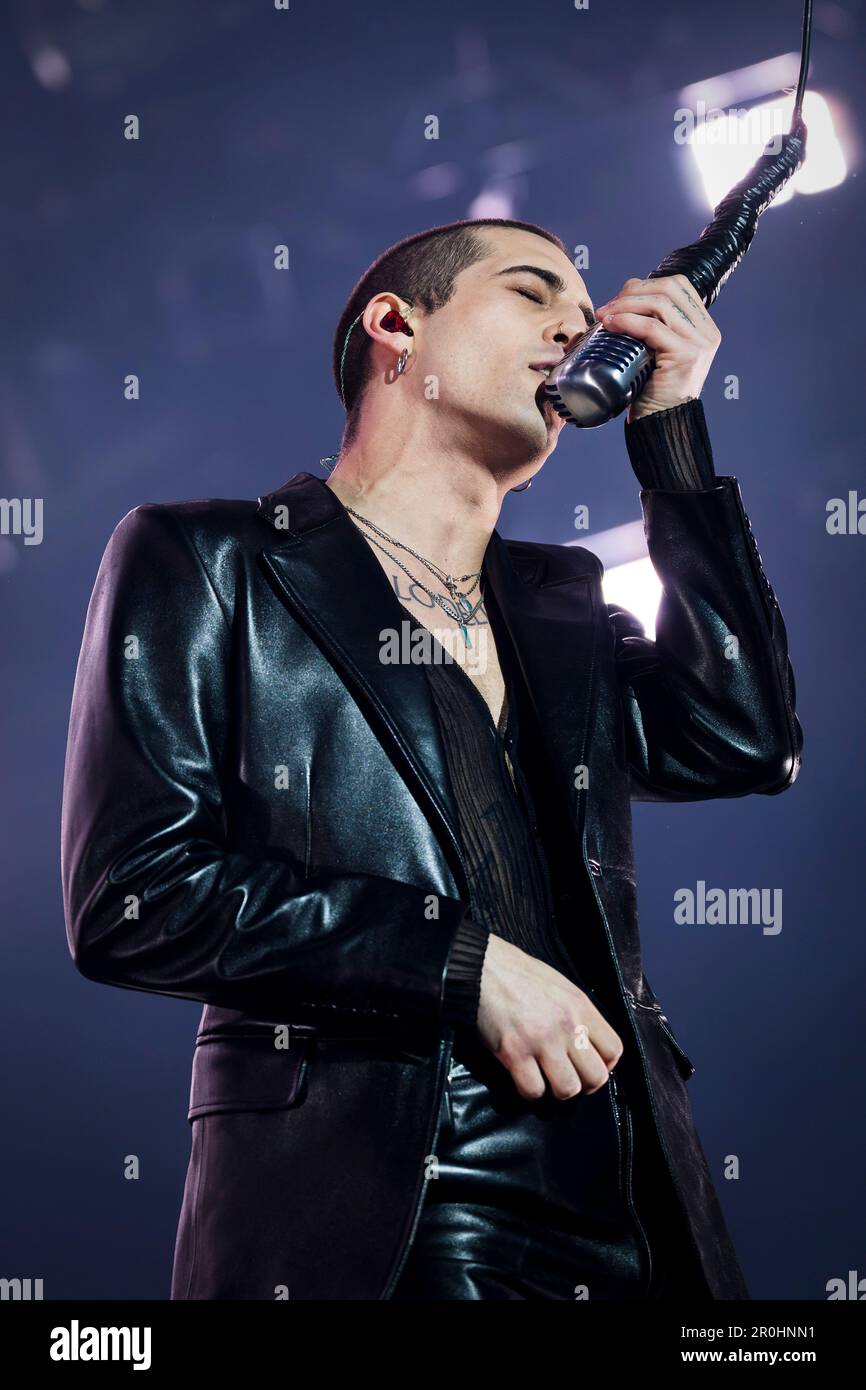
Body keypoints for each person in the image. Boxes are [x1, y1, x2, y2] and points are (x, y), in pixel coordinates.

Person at [61, 217, 802, 1301]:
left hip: (631, 1204)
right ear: (396, 326)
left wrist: (672, 436)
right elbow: (132, 893)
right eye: (531, 290)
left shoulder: (564, 608)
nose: (580, 323)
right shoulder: (208, 559)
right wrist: (455, 961)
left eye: (583, 306)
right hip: (392, 1203)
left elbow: (743, 740)